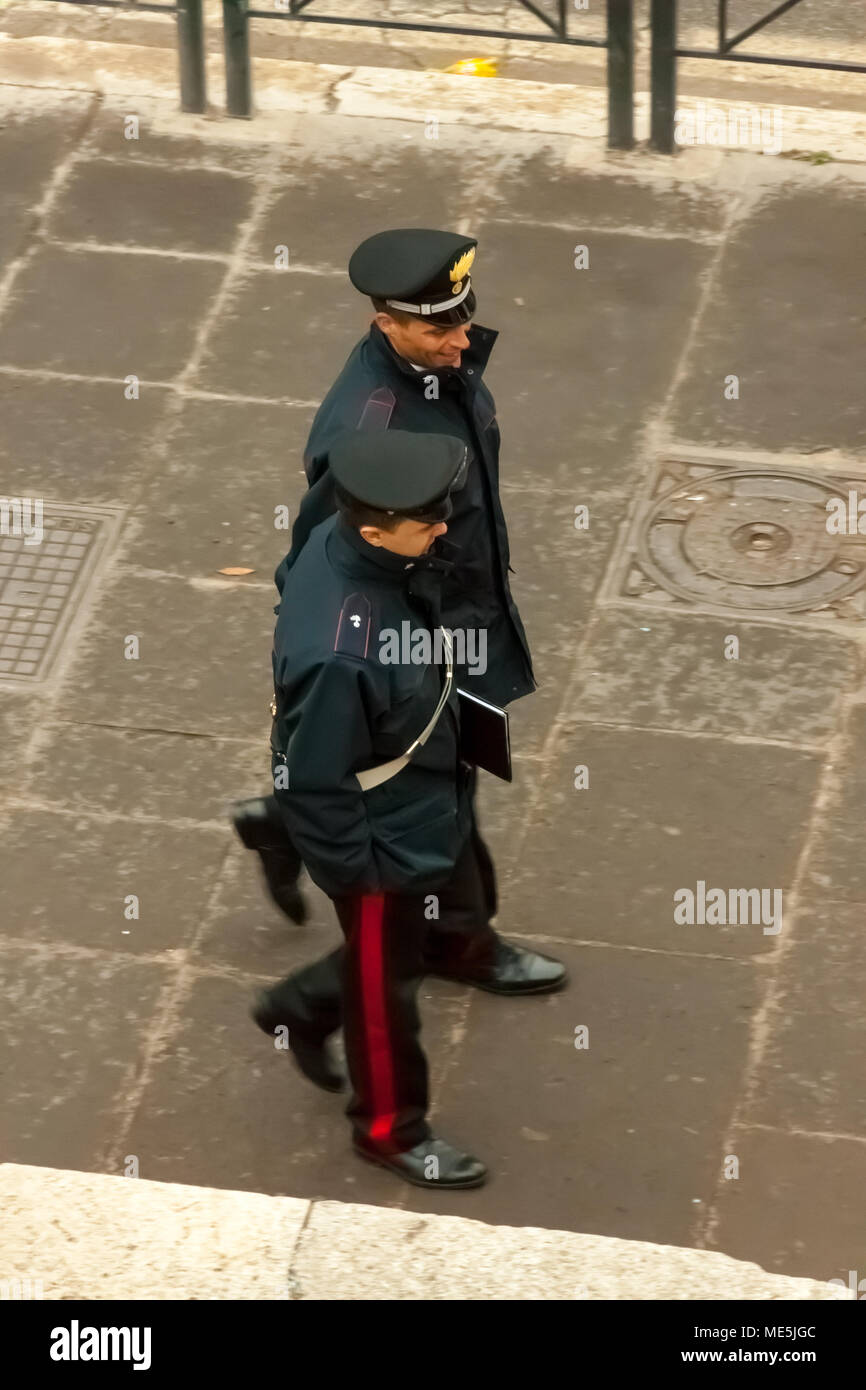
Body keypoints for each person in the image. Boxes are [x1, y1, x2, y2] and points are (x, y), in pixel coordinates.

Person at [233, 227, 565, 997]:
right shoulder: (369, 427)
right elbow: (327, 549)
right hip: (419, 638)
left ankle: (281, 824)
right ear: (384, 322)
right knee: (437, 789)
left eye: (461, 317)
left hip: (459, 614)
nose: (460, 339)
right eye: (437, 326)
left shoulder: (437, 371)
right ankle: (459, 940)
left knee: (444, 782)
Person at [255, 430, 564, 1187]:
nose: (442, 527)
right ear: (372, 527)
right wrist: (359, 876)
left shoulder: (363, 541)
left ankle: (419, 962)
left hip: (428, 782)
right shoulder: (338, 655)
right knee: (382, 986)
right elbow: (316, 780)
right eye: (426, 521)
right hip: (380, 835)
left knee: (445, 898)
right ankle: (390, 1128)